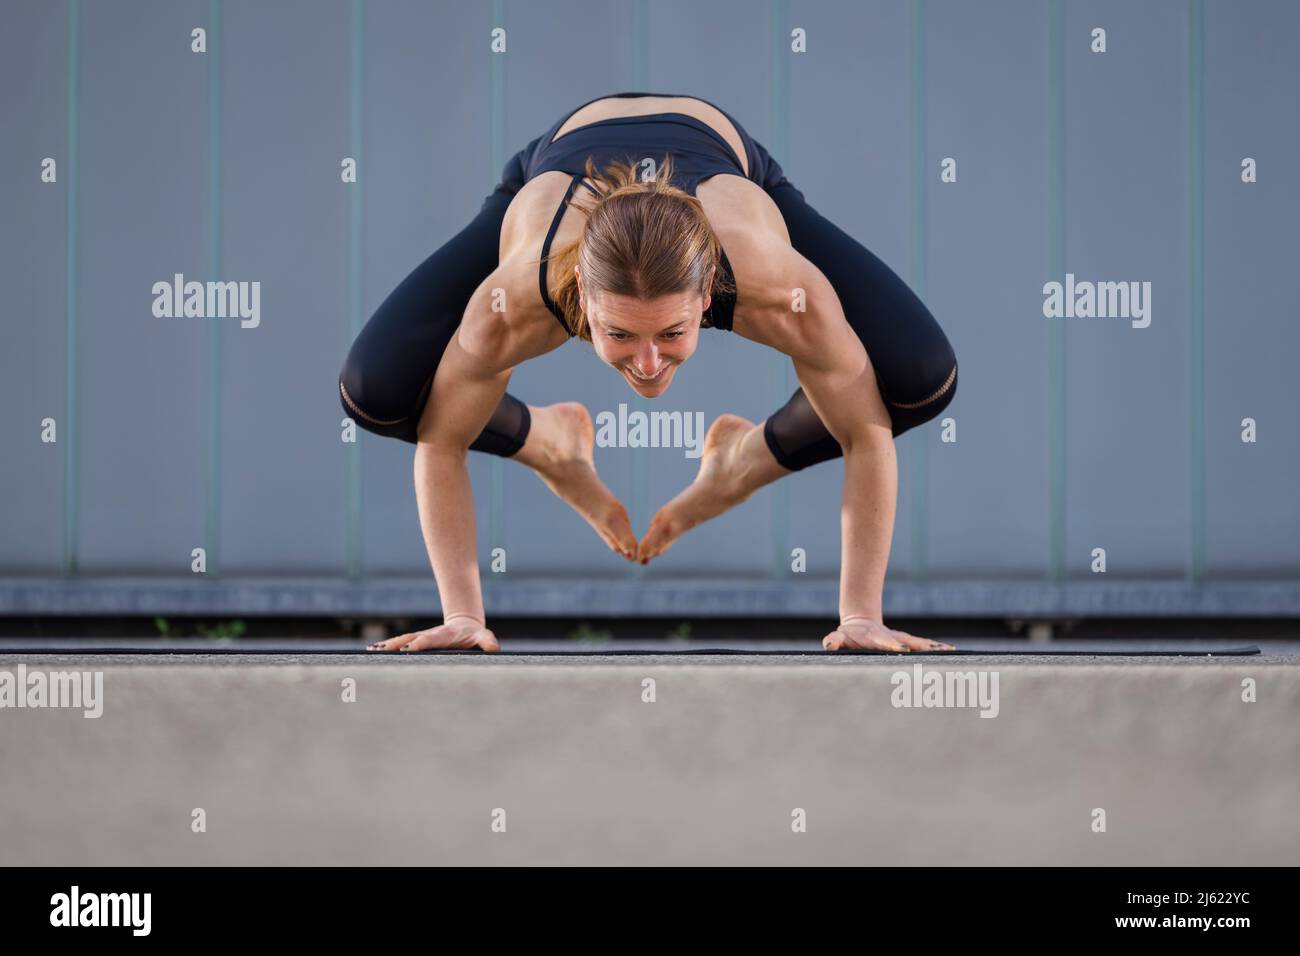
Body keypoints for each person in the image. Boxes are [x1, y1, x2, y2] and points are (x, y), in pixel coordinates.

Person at [339, 92, 958, 654]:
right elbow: (442, 442)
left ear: (709, 289)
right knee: (378, 392)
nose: (648, 364)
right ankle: (551, 444)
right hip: (554, 168)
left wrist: (859, 615)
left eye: (670, 333)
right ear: (580, 292)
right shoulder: (515, 302)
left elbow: (865, 433)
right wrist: (463, 614)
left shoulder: (778, 288)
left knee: (919, 376)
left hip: (720, 158)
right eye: (619, 334)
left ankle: (740, 462)